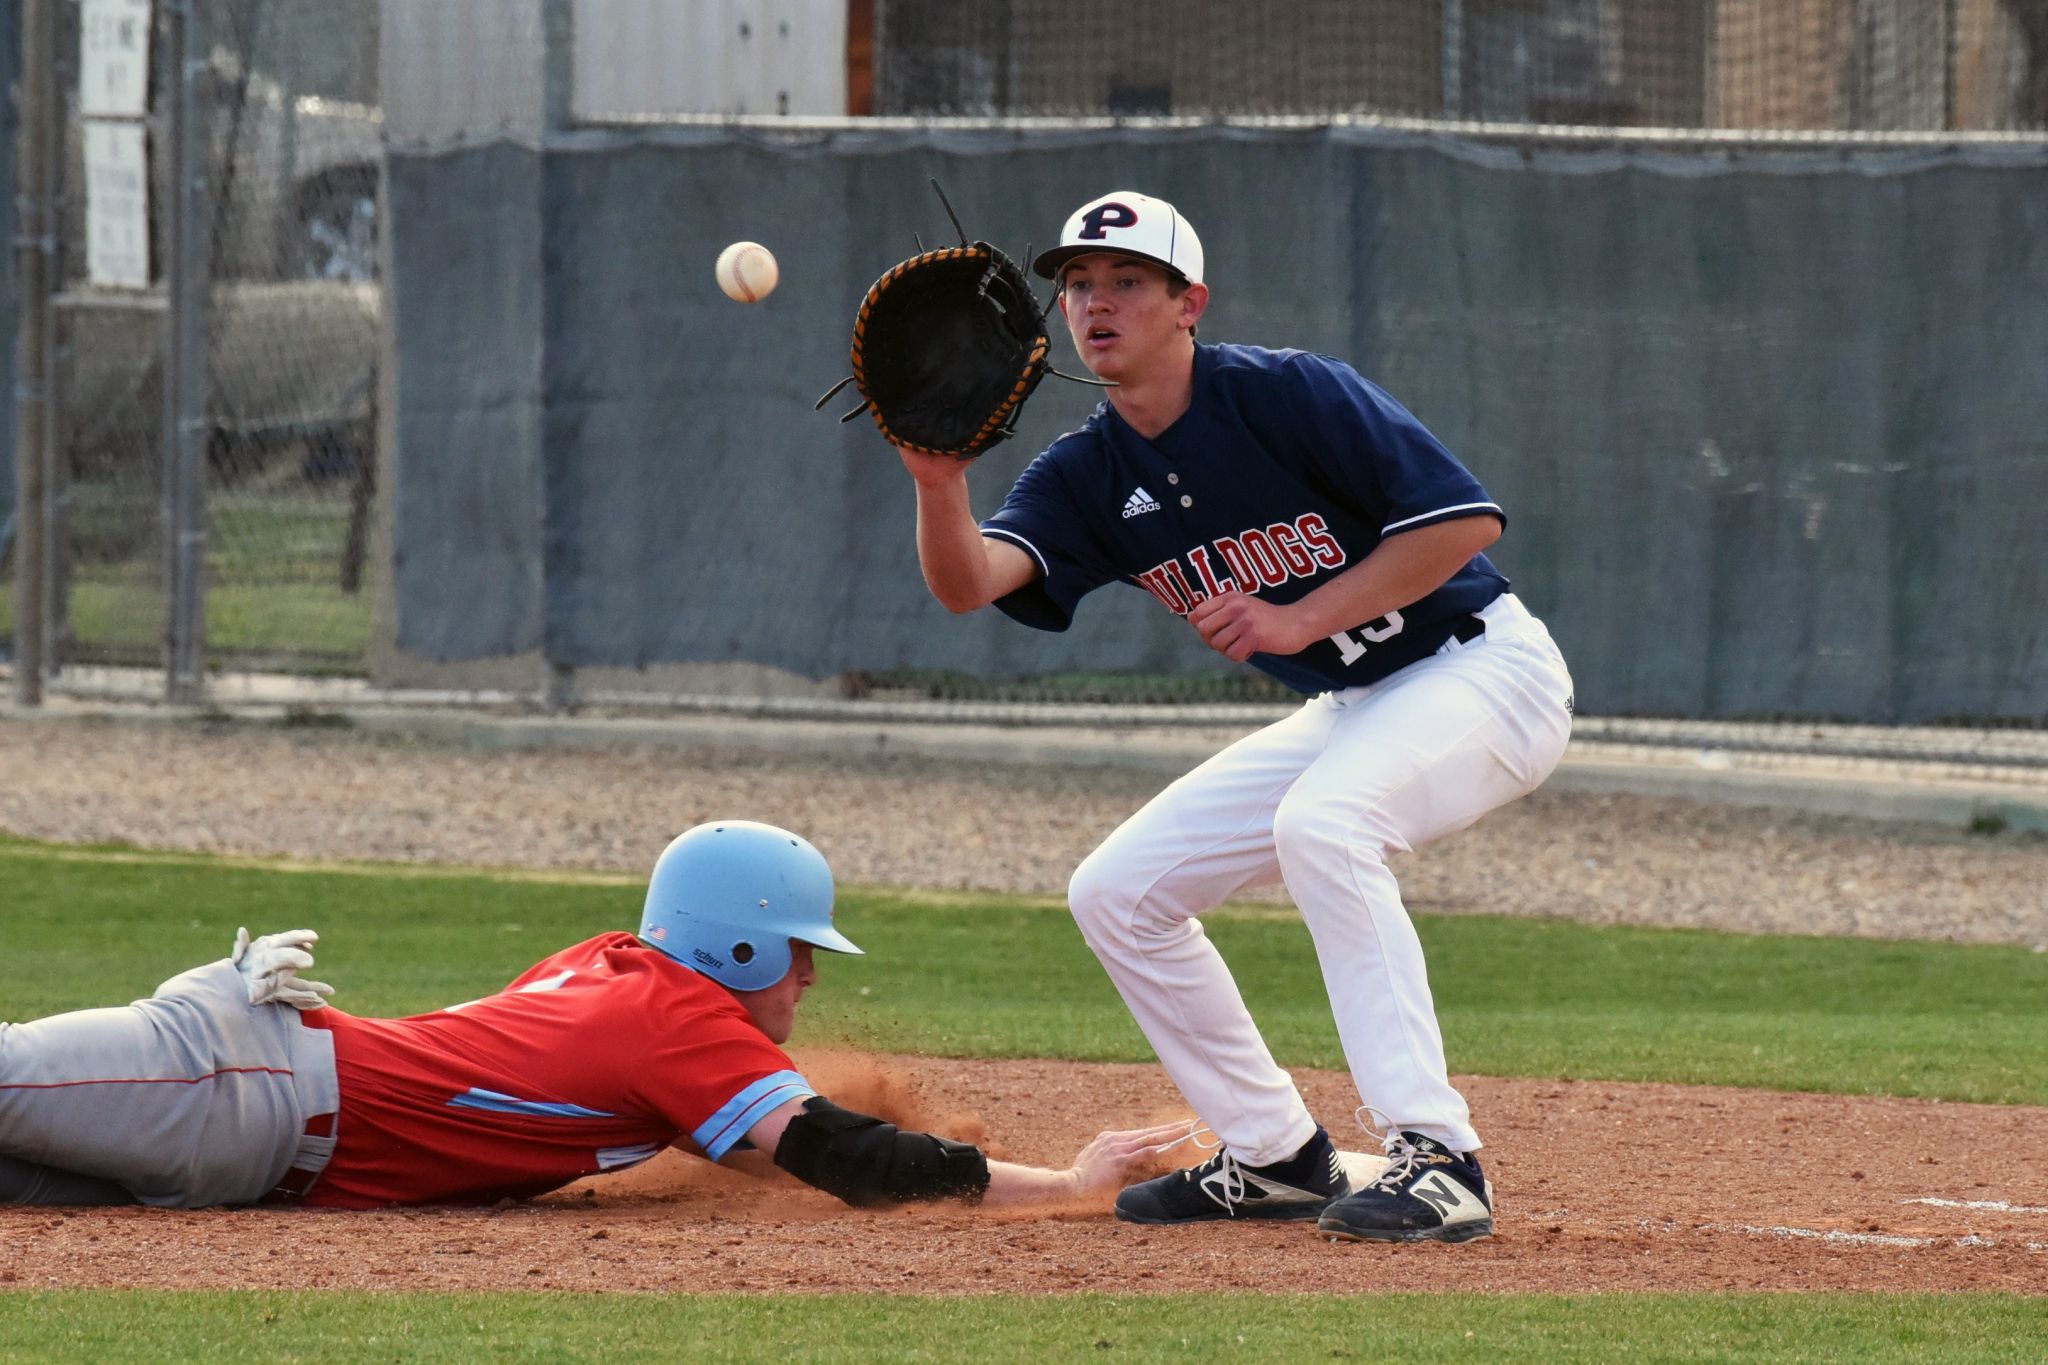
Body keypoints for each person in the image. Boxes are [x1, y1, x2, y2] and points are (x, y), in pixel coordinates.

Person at [888, 190, 1576, 1244]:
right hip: (1356, 705)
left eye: (1125, 282)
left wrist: (1299, 617)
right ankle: (1273, 1155)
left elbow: (1460, 526)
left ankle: (1438, 1159)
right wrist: (939, 483)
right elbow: (969, 583)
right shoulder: (1087, 471)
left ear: (1187, 302)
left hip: (1483, 674)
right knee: (1117, 890)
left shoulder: (1287, 393)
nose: (1093, 303)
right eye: (1076, 285)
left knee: (1326, 827)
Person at [0, 820, 1181, 1211]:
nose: (810, 981)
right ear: (736, 946)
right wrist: (1063, 1185)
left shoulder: (615, 969)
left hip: (254, 1129)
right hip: (234, 1083)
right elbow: (844, 1155)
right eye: (796, 956)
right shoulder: (678, 1026)